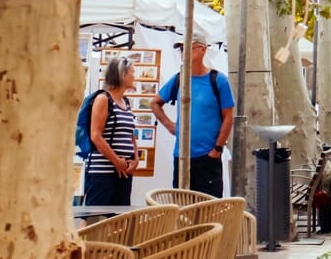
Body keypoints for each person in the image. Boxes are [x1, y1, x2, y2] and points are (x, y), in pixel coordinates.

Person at [150, 38, 235, 197]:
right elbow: (155, 103)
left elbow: (228, 117)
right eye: (182, 50)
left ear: (203, 49)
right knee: (182, 204)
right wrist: (169, 125)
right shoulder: (179, 79)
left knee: (208, 206)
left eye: (189, 48)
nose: (184, 53)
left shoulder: (218, 80)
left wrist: (217, 149)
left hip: (207, 157)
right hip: (182, 156)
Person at [83, 56, 137, 205]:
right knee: (96, 215)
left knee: (120, 216)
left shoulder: (126, 102)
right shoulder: (103, 99)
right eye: (132, 72)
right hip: (103, 171)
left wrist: (135, 158)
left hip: (123, 171)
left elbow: (130, 134)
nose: (134, 76)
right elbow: (96, 135)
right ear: (122, 74)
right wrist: (116, 161)